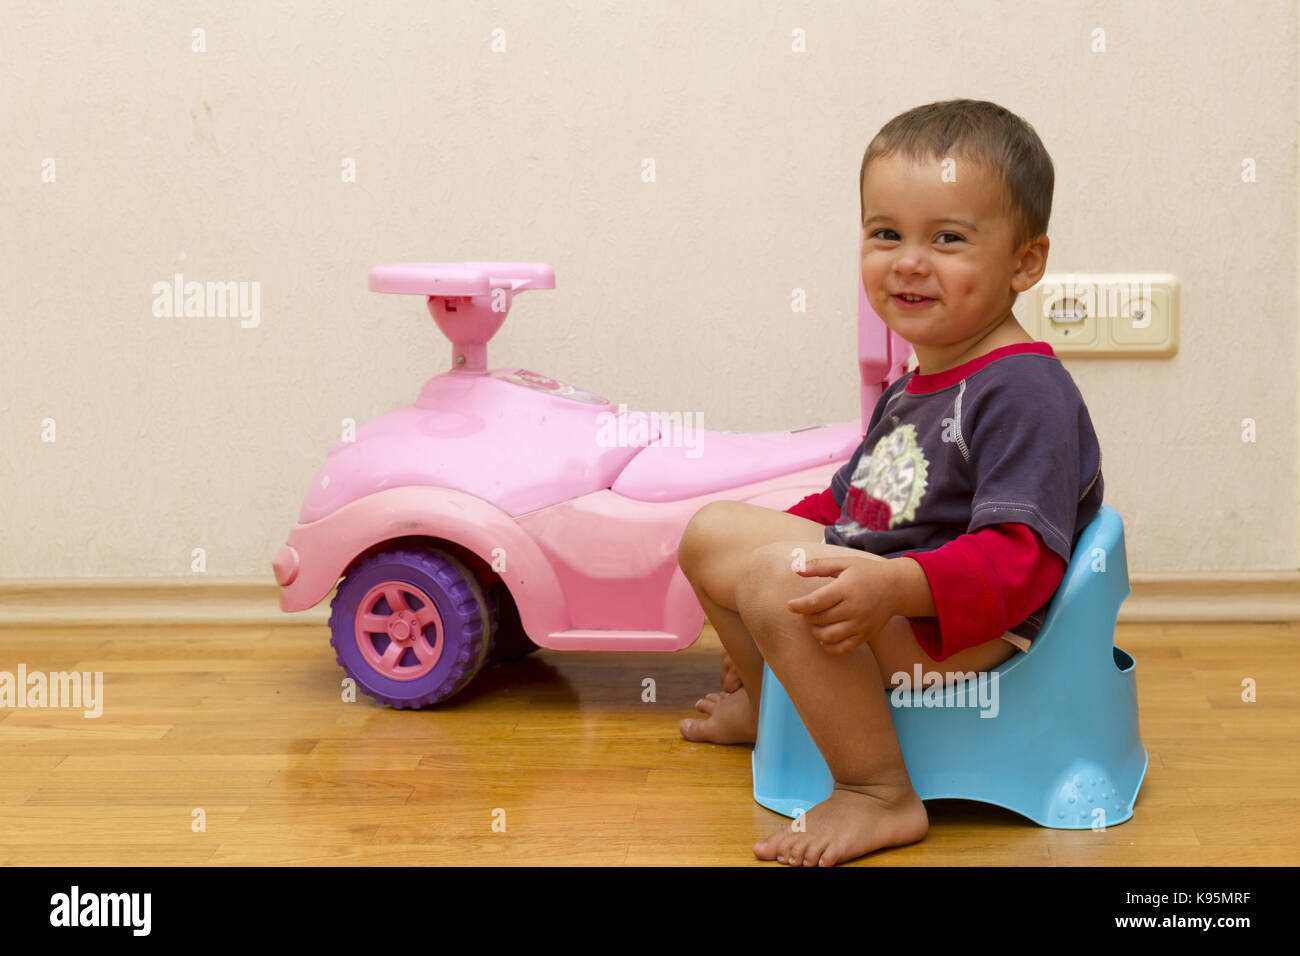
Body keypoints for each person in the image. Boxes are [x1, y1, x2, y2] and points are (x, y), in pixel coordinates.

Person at [675, 99, 1104, 867]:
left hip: (960, 630)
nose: (908, 260)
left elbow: (1019, 559)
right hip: (892, 590)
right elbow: (852, 508)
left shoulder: (1023, 392)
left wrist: (895, 587)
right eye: (886, 234)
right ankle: (768, 707)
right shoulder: (918, 383)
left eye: (947, 238)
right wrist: (762, 552)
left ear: (1025, 262)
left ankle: (877, 791)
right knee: (714, 533)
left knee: (782, 575)